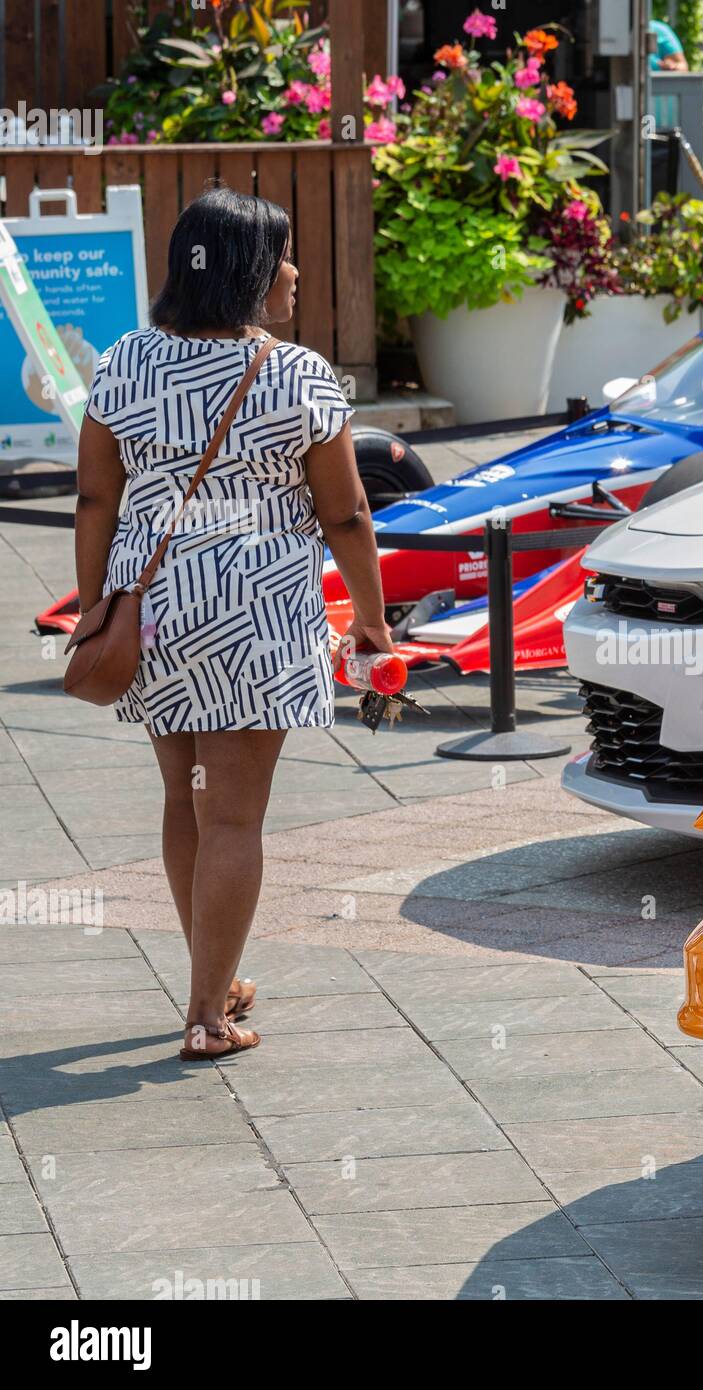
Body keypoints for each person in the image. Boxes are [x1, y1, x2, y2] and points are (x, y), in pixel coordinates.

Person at [73, 186, 394, 1061]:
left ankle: (209, 975)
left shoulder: (124, 364)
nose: (293, 272)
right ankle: (209, 1017)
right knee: (236, 819)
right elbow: (348, 515)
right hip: (258, 610)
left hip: (157, 607)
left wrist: (96, 605)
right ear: (252, 273)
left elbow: (97, 494)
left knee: (189, 798)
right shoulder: (298, 375)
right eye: (283, 256)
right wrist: (372, 621)